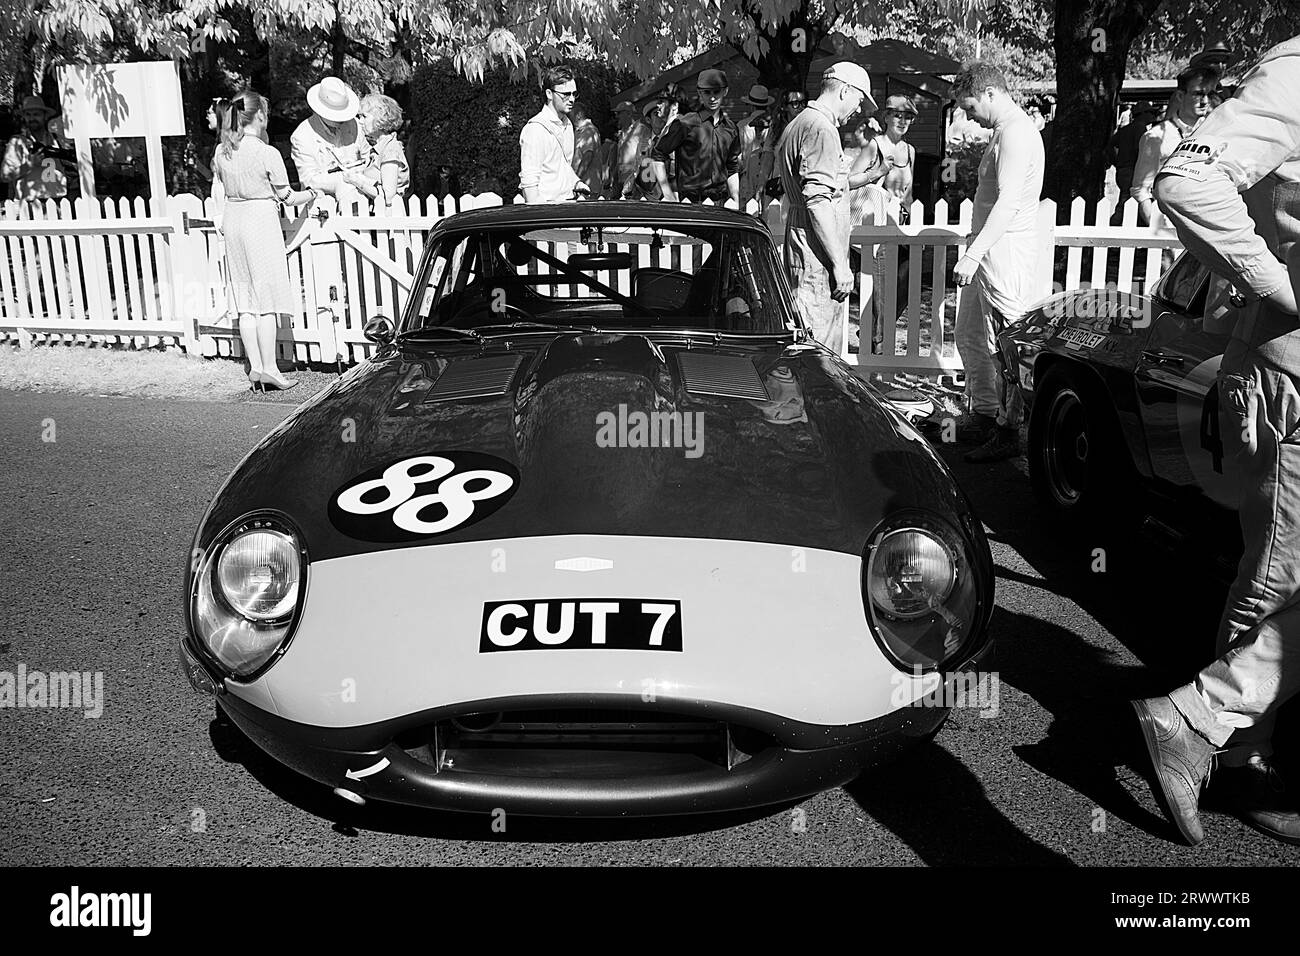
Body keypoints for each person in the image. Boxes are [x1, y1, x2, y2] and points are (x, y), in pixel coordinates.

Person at [1132, 35, 1300, 848]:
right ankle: (1210, 730)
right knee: (1278, 573)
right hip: (1292, 375)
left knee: (1279, 570)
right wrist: (1282, 289)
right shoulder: (1298, 72)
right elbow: (1188, 178)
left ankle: (1225, 736)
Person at [947, 61, 1044, 462]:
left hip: (1003, 253)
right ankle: (985, 415)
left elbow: (1006, 204)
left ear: (989, 93)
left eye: (969, 106)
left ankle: (1011, 430)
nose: (967, 115)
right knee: (969, 334)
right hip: (989, 250)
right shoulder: (1004, 132)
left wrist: (972, 254)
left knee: (1006, 344)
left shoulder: (1018, 133)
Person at [214, 90, 318, 392]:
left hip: (233, 218)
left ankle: (255, 367)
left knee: (246, 302)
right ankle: (271, 368)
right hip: (260, 219)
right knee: (267, 299)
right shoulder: (266, 153)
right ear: (259, 115)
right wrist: (312, 192)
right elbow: (287, 197)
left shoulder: (223, 151)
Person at [775, 61, 876, 353]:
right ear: (845, 91)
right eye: (859, 100)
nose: (858, 110)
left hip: (806, 245)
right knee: (818, 352)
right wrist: (840, 265)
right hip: (817, 255)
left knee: (806, 343)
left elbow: (827, 186)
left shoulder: (801, 122)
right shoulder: (821, 129)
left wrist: (869, 176)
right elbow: (818, 201)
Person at [1132, 65, 1220, 224]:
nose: (1205, 101)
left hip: (1209, 222)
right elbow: (1141, 189)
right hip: (1169, 224)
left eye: (1210, 94)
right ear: (1180, 96)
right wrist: (1158, 228)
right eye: (1198, 94)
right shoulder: (1155, 137)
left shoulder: (1216, 133)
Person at [651, 68, 741, 205]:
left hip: (721, 203)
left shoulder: (731, 129)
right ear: (699, 93)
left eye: (716, 92)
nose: (712, 98)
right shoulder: (685, 123)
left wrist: (735, 199)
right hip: (690, 202)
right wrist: (667, 193)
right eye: (707, 92)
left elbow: (732, 167)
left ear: (725, 91)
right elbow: (658, 154)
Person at [289, 76, 365, 205]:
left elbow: (367, 156)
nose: (340, 119)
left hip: (363, 197)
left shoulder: (355, 125)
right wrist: (343, 179)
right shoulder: (302, 136)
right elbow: (309, 179)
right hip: (323, 205)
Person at [519, 64, 588, 204]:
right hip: (547, 214)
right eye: (566, 94)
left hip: (567, 207)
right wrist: (541, 218)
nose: (572, 99)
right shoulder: (536, 130)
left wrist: (576, 183)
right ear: (549, 94)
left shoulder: (568, 125)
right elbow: (529, 186)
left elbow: (563, 167)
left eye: (574, 94)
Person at [346, 93, 410, 209]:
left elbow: (388, 196)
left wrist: (356, 181)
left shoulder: (390, 150)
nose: (360, 121)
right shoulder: (380, 148)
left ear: (380, 119)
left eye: (364, 117)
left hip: (388, 218)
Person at [1, 95, 69, 203]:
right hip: (29, 204)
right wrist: (29, 164)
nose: (32, 118)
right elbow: (5, 176)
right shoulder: (17, 142)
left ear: (45, 116)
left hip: (59, 201)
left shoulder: (58, 139)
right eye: (28, 115)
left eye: (36, 114)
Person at [736, 84, 778, 210]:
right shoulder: (775, 126)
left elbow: (738, 158)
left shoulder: (742, 126)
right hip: (769, 176)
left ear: (751, 105)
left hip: (747, 177)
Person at [1108, 100, 1159, 201]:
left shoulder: (1125, 130)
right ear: (1143, 114)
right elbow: (1139, 150)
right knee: (1130, 201)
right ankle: (1117, 217)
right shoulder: (1140, 129)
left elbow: (1109, 146)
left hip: (1122, 171)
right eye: (1151, 113)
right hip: (1133, 171)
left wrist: (1116, 162)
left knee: (1126, 199)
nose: (1153, 116)